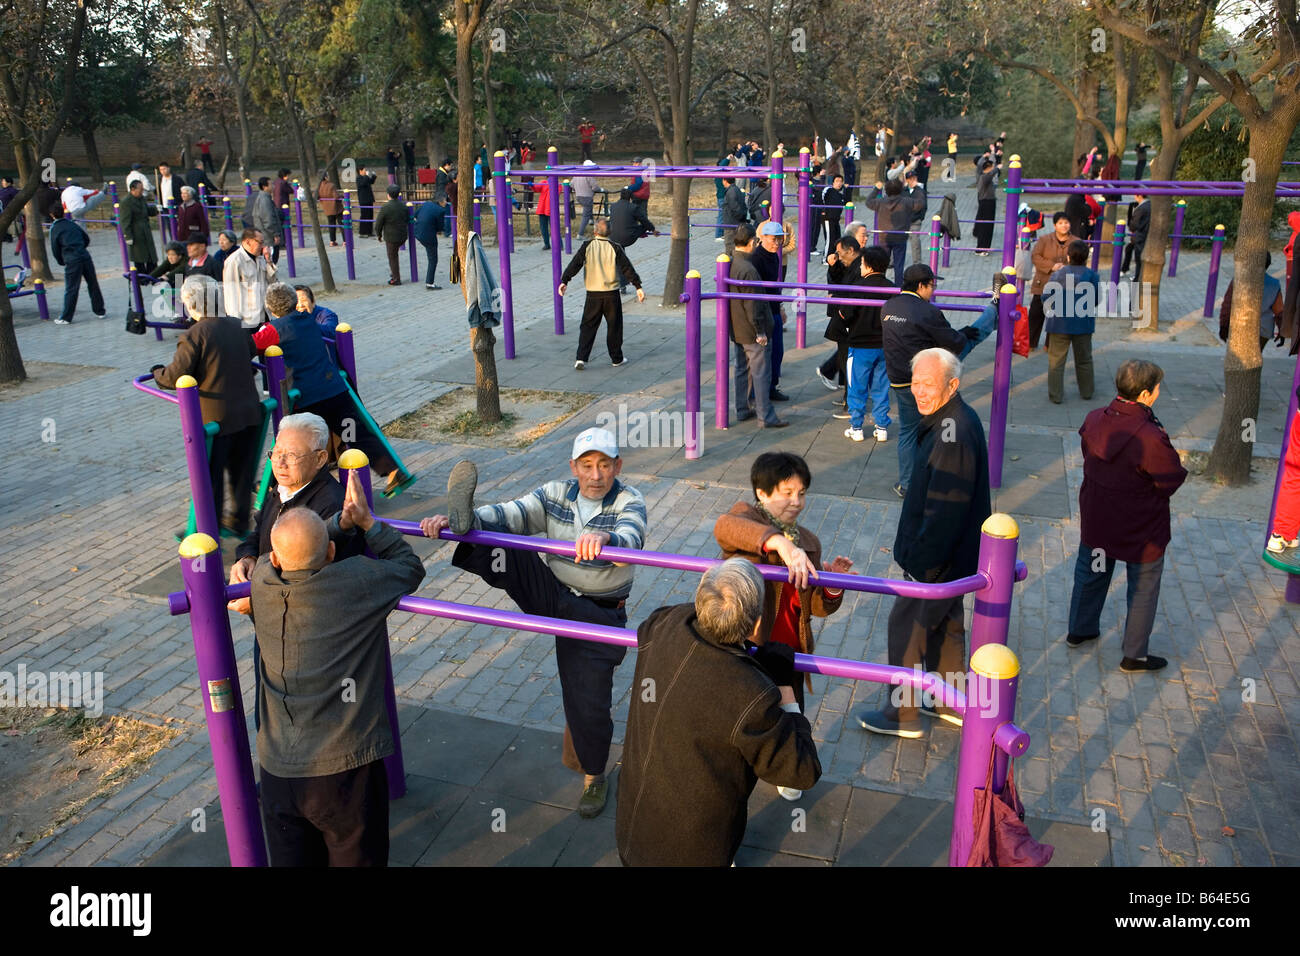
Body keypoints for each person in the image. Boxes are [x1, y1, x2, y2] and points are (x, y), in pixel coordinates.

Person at [418, 431, 648, 819]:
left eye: (605, 465)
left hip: (598, 613)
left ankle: (595, 776)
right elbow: (513, 513)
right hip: (554, 592)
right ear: (573, 467)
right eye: (587, 466)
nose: (596, 475)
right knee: (501, 539)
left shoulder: (630, 499)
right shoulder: (556, 493)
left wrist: (605, 538)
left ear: (618, 467)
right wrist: (461, 521)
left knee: (587, 698)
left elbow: (633, 540)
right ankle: (464, 524)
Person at [251, 473, 425, 866]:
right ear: (332, 553)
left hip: (279, 771)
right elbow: (409, 566)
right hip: (345, 770)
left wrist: (336, 525)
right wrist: (365, 522)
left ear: (276, 558)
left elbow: (287, 552)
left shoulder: (262, 579)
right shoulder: (356, 582)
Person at [615, 559, 822, 866]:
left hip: (634, 827)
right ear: (754, 626)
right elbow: (802, 771)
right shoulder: (752, 693)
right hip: (692, 852)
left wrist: (712, 606)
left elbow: (673, 615)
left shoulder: (662, 626)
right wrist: (785, 688)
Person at [857, 348, 991, 737]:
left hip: (936, 561)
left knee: (908, 626)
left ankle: (903, 714)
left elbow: (944, 510)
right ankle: (949, 700)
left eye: (928, 384)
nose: (919, 391)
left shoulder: (952, 433)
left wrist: (922, 569)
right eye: (915, 383)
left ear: (953, 385)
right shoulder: (950, 421)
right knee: (947, 625)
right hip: (955, 559)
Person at [714, 451, 852, 727]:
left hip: (789, 653)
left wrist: (833, 586)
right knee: (746, 726)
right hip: (749, 648)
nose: (796, 502)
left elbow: (814, 607)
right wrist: (781, 544)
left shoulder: (808, 542)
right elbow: (725, 527)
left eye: (801, 494)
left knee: (788, 727)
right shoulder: (746, 516)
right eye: (787, 493)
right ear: (762, 493)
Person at [1067, 360, 1187, 672]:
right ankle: (1134, 654)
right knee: (1143, 585)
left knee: (1090, 573)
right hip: (1141, 526)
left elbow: (1088, 455)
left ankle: (1079, 630)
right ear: (1146, 394)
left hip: (1098, 517)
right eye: (1157, 388)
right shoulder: (1150, 437)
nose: (1159, 392)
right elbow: (1170, 478)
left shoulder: (1094, 419)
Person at [252, 283, 413, 495]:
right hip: (334, 391)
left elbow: (249, 346)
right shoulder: (308, 320)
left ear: (271, 310)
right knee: (355, 433)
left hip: (306, 399)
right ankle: (392, 471)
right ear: (293, 302)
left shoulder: (272, 330)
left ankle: (271, 489)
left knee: (290, 442)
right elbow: (324, 331)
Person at [151, 275, 262, 536]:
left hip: (215, 421)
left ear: (192, 303)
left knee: (209, 476)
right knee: (241, 472)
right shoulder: (237, 326)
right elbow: (248, 358)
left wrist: (156, 372)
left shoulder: (195, 335)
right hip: (248, 412)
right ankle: (239, 521)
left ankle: (207, 531)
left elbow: (174, 376)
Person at [882, 264, 986, 498]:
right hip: (925, 379)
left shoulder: (889, 305)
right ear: (921, 286)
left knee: (908, 432)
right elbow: (954, 341)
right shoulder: (926, 311)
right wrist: (964, 334)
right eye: (932, 286)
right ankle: (994, 310)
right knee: (939, 429)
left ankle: (907, 484)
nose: (933, 291)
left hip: (898, 379)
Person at [559, 218, 644, 369]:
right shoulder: (615, 247)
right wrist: (638, 286)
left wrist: (565, 280)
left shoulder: (587, 246)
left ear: (595, 231)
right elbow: (627, 268)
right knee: (614, 327)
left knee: (587, 326)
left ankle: (581, 358)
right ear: (610, 232)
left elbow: (575, 264)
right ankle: (616, 358)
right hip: (611, 294)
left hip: (593, 294)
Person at [727, 225, 785, 428]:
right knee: (761, 372)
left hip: (737, 326)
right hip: (752, 329)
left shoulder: (733, 263)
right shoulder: (749, 269)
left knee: (742, 368)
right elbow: (754, 304)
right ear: (752, 242)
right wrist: (760, 330)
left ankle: (742, 409)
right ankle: (766, 415)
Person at [843, 244, 894, 442]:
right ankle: (881, 426)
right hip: (884, 346)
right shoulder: (893, 288)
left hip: (861, 345)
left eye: (862, 263)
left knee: (857, 386)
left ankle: (856, 427)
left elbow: (846, 315)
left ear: (870, 267)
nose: (861, 267)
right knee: (881, 387)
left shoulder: (858, 288)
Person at [1043, 239, 1098, 404]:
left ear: (1068, 257)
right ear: (1086, 258)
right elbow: (1096, 299)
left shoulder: (1058, 274)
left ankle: (1056, 395)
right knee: (1084, 359)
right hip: (1083, 324)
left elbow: (1047, 296)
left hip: (1059, 323)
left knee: (1056, 362)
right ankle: (1087, 392)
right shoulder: (1092, 275)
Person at [751, 220, 790, 402]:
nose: (777, 243)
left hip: (773, 307)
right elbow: (756, 291)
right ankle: (757, 392)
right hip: (762, 310)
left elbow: (775, 286)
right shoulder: (756, 258)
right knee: (763, 355)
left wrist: (780, 306)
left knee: (777, 352)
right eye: (774, 239)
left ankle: (772, 386)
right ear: (763, 238)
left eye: (780, 240)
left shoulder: (774, 256)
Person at [48, 204, 106, 325]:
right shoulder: (72, 224)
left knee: (71, 288)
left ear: (52, 215)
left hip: (71, 259)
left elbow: (55, 248)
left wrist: (61, 260)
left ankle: (66, 317)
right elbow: (86, 238)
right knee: (93, 284)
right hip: (84, 256)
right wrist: (81, 248)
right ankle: (100, 311)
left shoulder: (55, 228)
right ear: (63, 213)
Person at [863, 178, 926, 284]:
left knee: (881, 263)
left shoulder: (881, 201)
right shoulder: (906, 201)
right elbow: (921, 203)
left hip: (884, 237)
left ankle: (880, 285)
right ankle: (898, 287)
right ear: (901, 189)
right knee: (899, 265)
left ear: (886, 190)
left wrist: (876, 189)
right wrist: (917, 187)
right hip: (900, 237)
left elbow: (868, 202)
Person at [1027, 212, 1074, 351]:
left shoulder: (1076, 241)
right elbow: (1035, 256)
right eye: (1060, 223)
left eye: (1066, 223)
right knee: (1036, 313)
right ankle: (1030, 342)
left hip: (1064, 284)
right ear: (1054, 225)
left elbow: (1080, 259)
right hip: (1043, 282)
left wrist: (1067, 267)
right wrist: (1051, 266)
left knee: (1056, 315)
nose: (1064, 226)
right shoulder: (1044, 239)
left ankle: (1050, 344)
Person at [1218, 252, 1284, 350]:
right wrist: (1282, 331)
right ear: (1268, 264)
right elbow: (1279, 312)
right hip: (1263, 330)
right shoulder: (1274, 284)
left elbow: (1228, 306)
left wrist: (1224, 326)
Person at [223, 228, 276, 332]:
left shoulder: (260, 258)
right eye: (260, 243)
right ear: (248, 241)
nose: (262, 246)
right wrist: (235, 321)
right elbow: (230, 293)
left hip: (265, 314)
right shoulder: (234, 261)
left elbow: (273, 281)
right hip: (247, 319)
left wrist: (269, 260)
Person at [119, 178, 158, 273]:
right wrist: (127, 236)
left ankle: (153, 273)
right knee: (139, 257)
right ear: (133, 189)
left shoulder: (141, 199)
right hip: (136, 232)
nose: (142, 191)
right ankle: (141, 277)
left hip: (145, 230)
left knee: (150, 255)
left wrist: (156, 209)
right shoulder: (126, 202)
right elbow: (125, 221)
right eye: (140, 189)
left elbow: (146, 211)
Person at [372, 184, 408, 286]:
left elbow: (379, 223)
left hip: (391, 237)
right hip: (402, 235)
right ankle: (394, 274)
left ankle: (396, 278)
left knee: (393, 257)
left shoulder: (386, 207)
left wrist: (378, 235)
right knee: (394, 255)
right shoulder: (403, 206)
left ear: (388, 195)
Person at [246, 177, 284, 265]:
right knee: (270, 259)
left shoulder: (263, 197)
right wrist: (275, 234)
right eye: (271, 184)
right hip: (267, 236)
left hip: (264, 234)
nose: (273, 186)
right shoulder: (265, 200)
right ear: (264, 186)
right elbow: (268, 219)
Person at [413, 196, 446, 290]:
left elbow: (415, 214)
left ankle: (429, 281)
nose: (446, 204)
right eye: (445, 201)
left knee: (431, 256)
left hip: (417, 232)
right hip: (429, 236)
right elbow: (440, 226)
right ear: (441, 201)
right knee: (433, 259)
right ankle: (429, 283)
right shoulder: (440, 211)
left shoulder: (426, 204)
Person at [972, 157, 999, 254]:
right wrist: (997, 168)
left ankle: (985, 247)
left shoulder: (985, 177)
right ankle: (980, 248)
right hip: (986, 203)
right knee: (985, 227)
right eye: (992, 167)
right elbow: (990, 173)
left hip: (990, 202)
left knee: (989, 227)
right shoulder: (983, 177)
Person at [1122, 193, 1150, 282]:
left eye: (1135, 195)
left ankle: (1137, 277)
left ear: (1140, 196)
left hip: (1140, 235)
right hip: (1143, 234)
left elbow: (1134, 224)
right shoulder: (1149, 205)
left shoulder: (1141, 208)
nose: (1134, 197)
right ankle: (1125, 269)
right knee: (1129, 249)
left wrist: (1131, 227)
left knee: (1138, 257)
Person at [720, 176, 749, 258]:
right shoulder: (736, 189)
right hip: (735, 222)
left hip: (731, 224)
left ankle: (730, 265)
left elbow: (735, 208)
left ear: (725, 180)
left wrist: (739, 218)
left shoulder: (731, 192)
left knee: (730, 246)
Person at [573, 159, 602, 238]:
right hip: (587, 197)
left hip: (579, 196)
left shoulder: (576, 174)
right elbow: (595, 187)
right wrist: (601, 190)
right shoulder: (589, 175)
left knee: (588, 209)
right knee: (585, 215)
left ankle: (591, 220)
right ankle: (580, 234)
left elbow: (571, 184)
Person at [317, 172, 341, 246]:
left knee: (331, 224)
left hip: (327, 209)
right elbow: (336, 196)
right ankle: (345, 241)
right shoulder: (331, 185)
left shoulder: (319, 187)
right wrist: (341, 196)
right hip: (336, 208)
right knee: (342, 224)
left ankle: (332, 241)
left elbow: (317, 196)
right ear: (326, 177)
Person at [356, 165, 377, 237]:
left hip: (369, 199)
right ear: (360, 171)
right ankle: (362, 232)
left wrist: (373, 176)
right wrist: (366, 176)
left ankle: (369, 232)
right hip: (363, 200)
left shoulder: (365, 177)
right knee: (364, 216)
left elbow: (371, 182)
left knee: (370, 215)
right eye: (364, 170)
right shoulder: (358, 178)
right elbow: (363, 183)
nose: (366, 171)